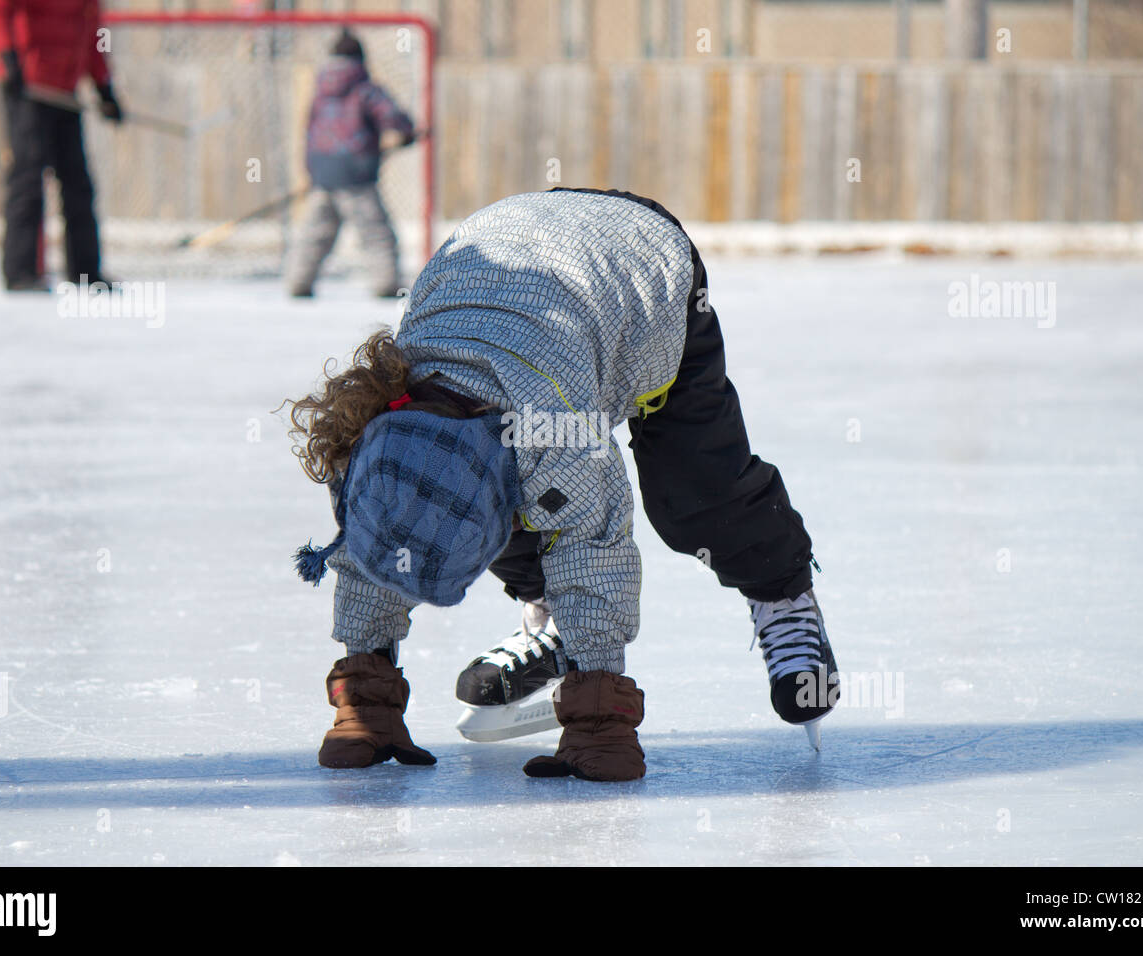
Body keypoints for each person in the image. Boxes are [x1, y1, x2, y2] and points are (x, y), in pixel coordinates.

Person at [287, 188, 840, 781]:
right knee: (486, 509)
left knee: (694, 494)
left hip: (637, 266)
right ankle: (553, 619)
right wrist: (363, 700)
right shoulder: (373, 436)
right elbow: (377, 546)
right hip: (519, 256)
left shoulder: (553, 429)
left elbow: (593, 542)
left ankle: (782, 596)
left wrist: (599, 717)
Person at [0, 0, 122, 292]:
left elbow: (92, 32)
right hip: (28, 88)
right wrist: (8, 56)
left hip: (64, 91)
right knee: (28, 179)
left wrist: (103, 87)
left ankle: (85, 271)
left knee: (78, 182)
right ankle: (21, 272)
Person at [286, 30, 416, 300]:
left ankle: (298, 281)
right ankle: (386, 283)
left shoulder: (320, 89)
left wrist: (313, 168)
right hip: (356, 171)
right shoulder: (364, 87)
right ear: (360, 57)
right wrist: (407, 131)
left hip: (323, 169)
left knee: (315, 233)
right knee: (375, 232)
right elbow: (390, 115)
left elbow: (309, 129)